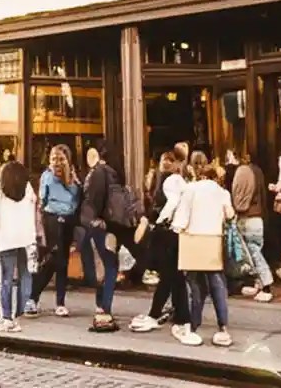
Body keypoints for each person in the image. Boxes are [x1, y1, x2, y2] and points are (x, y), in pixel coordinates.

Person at [130, 151, 202, 345]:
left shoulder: (170, 181)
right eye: (165, 160)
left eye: (170, 161)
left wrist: (160, 219)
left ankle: (178, 318)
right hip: (177, 232)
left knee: (172, 277)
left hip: (168, 232)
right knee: (172, 277)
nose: (167, 164)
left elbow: (172, 202)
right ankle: (175, 317)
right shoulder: (180, 181)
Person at [173, 162, 235, 347]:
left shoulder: (191, 189)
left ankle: (193, 326)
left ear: (201, 176)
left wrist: (177, 228)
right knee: (217, 283)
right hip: (213, 239)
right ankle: (223, 327)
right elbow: (230, 215)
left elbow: (182, 217)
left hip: (192, 239)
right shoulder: (222, 192)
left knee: (195, 285)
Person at [29, 144, 80, 317]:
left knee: (63, 261)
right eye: (53, 158)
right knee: (54, 257)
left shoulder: (73, 178)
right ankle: (33, 296)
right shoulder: (47, 176)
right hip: (53, 218)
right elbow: (43, 199)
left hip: (68, 219)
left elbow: (76, 199)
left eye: (60, 159)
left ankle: (60, 302)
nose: (56, 163)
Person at [0, 160, 40, 333]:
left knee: (6, 279)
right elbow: (33, 217)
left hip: (6, 240)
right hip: (25, 239)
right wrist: (33, 238)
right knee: (25, 276)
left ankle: (6, 317)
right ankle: (19, 313)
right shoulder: (29, 193)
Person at [79, 145, 123, 332]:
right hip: (111, 225)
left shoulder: (97, 173)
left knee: (106, 266)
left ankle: (104, 307)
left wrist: (94, 219)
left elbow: (93, 200)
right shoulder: (114, 173)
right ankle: (103, 305)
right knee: (108, 264)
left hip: (99, 225)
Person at [232, 151, 277, 302]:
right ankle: (258, 283)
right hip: (258, 218)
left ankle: (266, 285)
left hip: (248, 218)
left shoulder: (243, 172)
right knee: (255, 252)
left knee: (254, 253)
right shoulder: (258, 172)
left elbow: (238, 196)